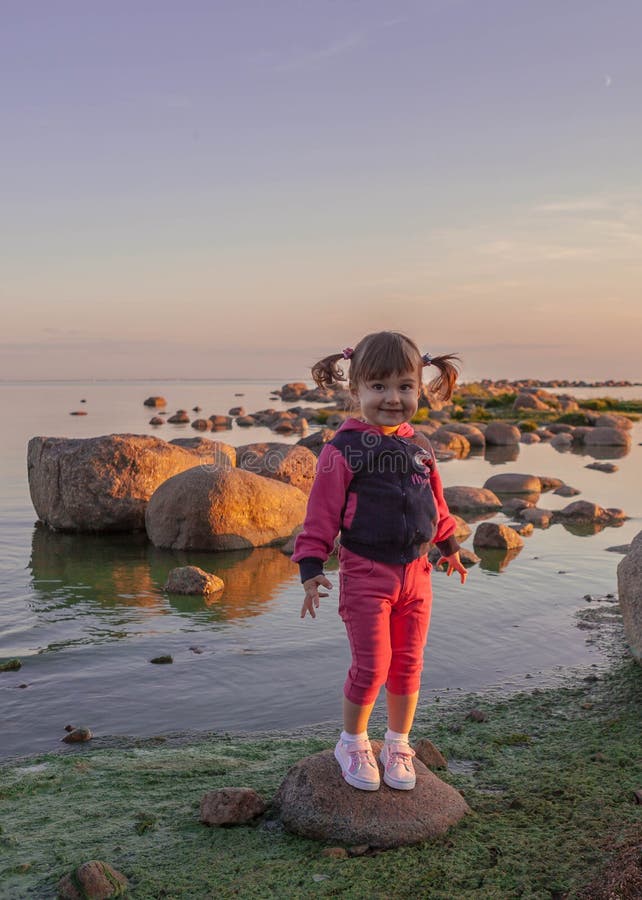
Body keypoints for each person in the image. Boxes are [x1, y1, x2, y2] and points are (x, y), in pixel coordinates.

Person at [292, 331, 467, 792]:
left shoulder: (421, 446)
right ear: (356, 391)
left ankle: (398, 742)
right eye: (379, 387)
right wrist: (311, 569)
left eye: (405, 387)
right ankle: (352, 741)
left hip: (417, 574)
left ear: (420, 389)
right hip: (366, 575)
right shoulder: (342, 450)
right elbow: (320, 517)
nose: (393, 398)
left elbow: (436, 505)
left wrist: (449, 547)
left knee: (408, 663)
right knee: (372, 665)